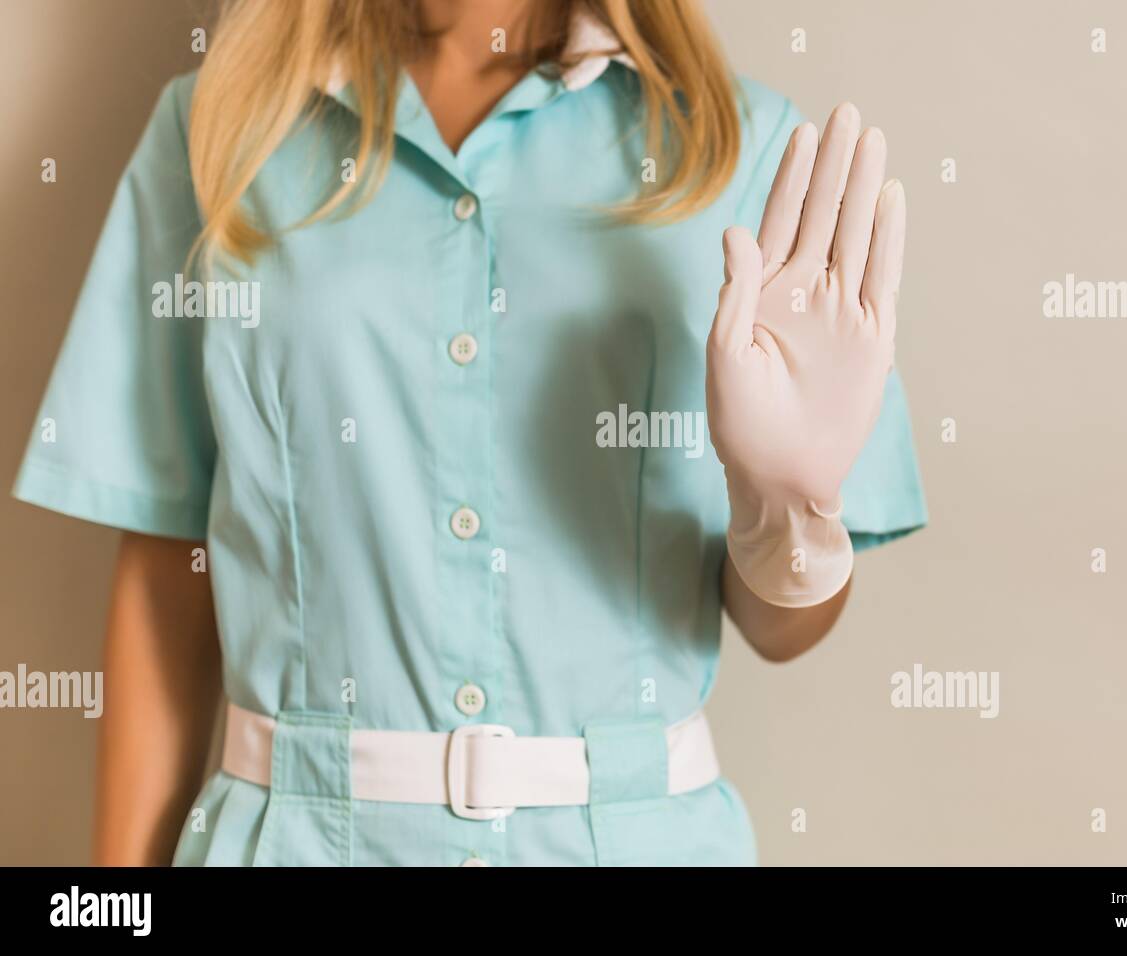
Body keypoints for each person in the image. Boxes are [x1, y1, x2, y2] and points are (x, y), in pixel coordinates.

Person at [14, 0, 926, 866]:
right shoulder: (219, 130)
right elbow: (171, 562)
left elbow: (783, 629)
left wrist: (790, 511)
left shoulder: (743, 149)